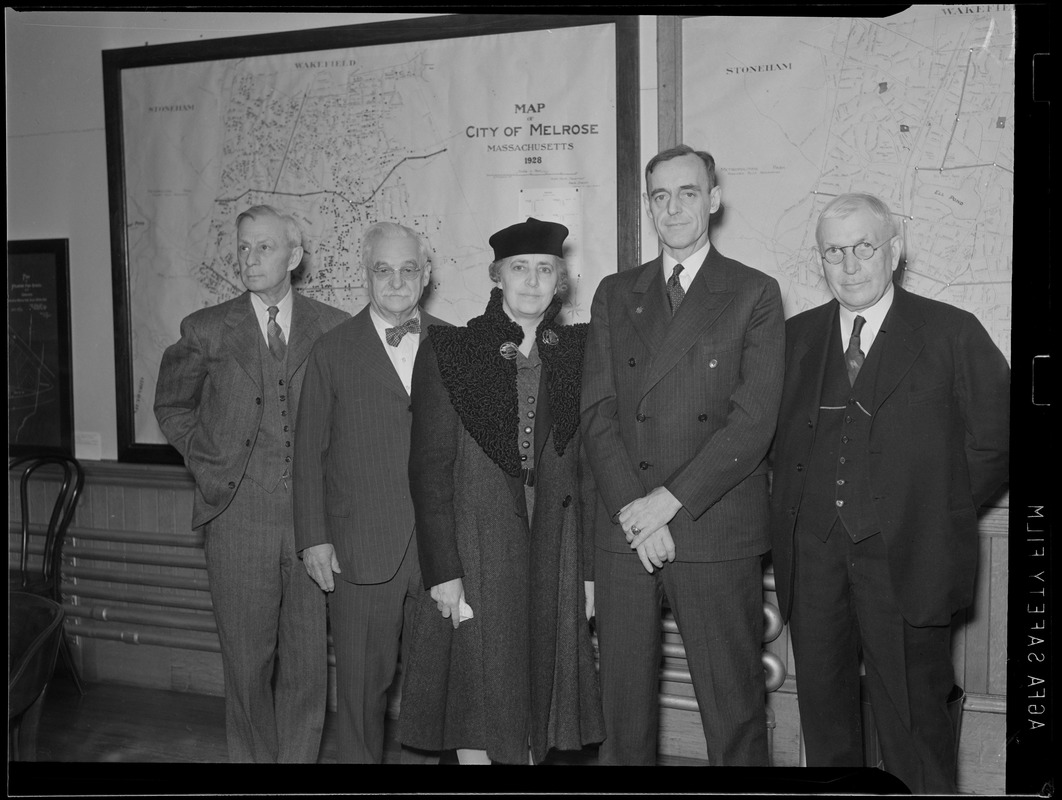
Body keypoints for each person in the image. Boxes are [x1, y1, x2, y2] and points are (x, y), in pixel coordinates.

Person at [768, 192, 1010, 793]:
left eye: (863, 247)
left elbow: (998, 439)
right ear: (820, 261)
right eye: (833, 251)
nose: (849, 265)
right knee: (825, 722)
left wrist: (935, 509)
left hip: (909, 560)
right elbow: (772, 448)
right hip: (814, 558)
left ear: (893, 252)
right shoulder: (793, 340)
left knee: (914, 722)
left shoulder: (951, 332)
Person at [581, 144, 785, 765]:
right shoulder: (616, 294)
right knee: (622, 718)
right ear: (648, 207)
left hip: (711, 526)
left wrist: (664, 505)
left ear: (714, 199)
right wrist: (635, 514)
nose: (673, 208)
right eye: (660, 196)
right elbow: (598, 414)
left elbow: (752, 425)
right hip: (625, 531)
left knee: (734, 715)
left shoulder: (755, 293)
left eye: (687, 192)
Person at [397, 218, 605, 765]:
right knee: (478, 701)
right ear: (497, 277)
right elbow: (429, 471)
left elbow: (589, 473)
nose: (532, 281)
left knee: (540, 704)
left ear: (560, 280)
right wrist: (443, 570)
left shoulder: (581, 353)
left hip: (554, 550)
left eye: (545, 270)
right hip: (478, 549)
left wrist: (586, 574)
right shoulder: (452, 350)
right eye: (519, 269)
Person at [154, 204, 349, 762]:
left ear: (294, 255)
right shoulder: (207, 328)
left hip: (313, 524)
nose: (250, 258)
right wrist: (207, 458)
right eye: (242, 247)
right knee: (246, 666)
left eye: (264, 247)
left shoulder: (333, 326)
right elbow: (171, 404)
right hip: (236, 522)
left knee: (308, 668)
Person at [292, 221, 447, 763]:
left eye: (409, 270)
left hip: (440, 554)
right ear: (367, 276)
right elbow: (307, 453)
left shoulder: (455, 345)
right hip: (358, 552)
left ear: (426, 276)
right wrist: (314, 538)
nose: (397, 281)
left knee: (441, 696)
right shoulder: (331, 351)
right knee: (360, 699)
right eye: (384, 270)